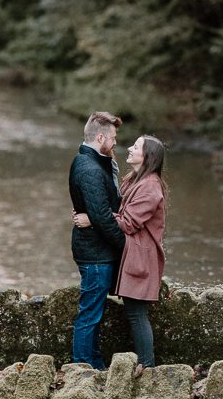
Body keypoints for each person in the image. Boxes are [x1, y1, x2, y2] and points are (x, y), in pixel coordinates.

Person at [74, 135, 166, 374]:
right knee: (133, 311)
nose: (130, 148)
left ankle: (147, 364)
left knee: (137, 312)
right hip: (131, 252)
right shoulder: (135, 179)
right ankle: (145, 363)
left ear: (148, 157)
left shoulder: (150, 187)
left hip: (141, 257)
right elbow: (114, 202)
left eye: (136, 147)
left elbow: (127, 223)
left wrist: (92, 218)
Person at [68, 111, 125, 369]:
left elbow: (100, 210)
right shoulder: (89, 168)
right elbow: (102, 217)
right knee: (89, 314)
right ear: (100, 136)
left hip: (96, 250)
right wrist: (126, 245)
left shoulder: (97, 161)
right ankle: (81, 367)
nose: (115, 142)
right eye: (112, 137)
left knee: (94, 312)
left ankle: (95, 362)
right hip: (95, 253)